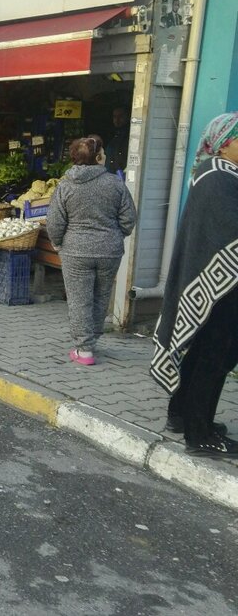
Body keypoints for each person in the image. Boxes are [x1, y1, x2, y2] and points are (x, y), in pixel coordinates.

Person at [151, 112, 238, 458]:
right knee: (214, 358)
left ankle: (182, 414)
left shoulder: (215, 173)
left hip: (213, 285)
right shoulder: (219, 177)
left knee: (200, 351)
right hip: (222, 290)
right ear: (227, 143)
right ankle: (199, 433)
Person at [46, 135, 137, 366]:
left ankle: (84, 349)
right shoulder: (115, 184)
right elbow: (129, 218)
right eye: (103, 153)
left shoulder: (65, 185)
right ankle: (92, 340)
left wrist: (57, 243)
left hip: (75, 251)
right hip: (110, 251)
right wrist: (116, 235)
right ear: (98, 158)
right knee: (100, 296)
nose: (105, 156)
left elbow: (55, 222)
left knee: (79, 300)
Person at [104, 106, 130, 175]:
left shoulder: (129, 135)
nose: (117, 119)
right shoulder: (112, 134)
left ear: (127, 117)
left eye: (120, 116)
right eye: (115, 117)